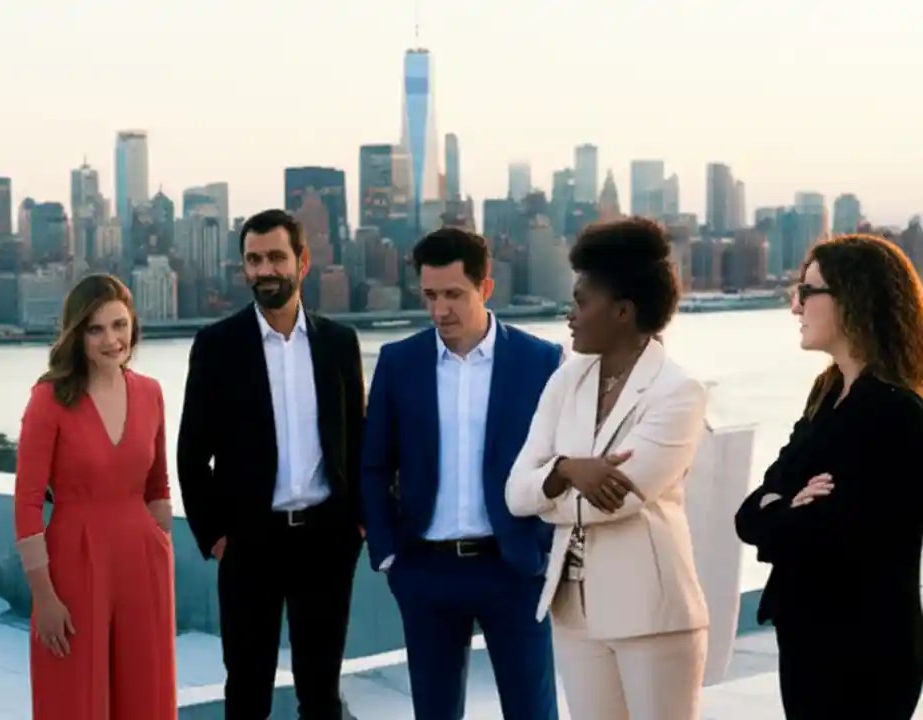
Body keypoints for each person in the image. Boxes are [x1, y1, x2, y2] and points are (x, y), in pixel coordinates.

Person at [505, 218, 709, 720]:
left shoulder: (677, 391)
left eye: (581, 302)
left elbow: (617, 501)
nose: (569, 315)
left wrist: (548, 489)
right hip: (574, 609)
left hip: (652, 614)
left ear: (622, 311)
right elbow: (515, 492)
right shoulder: (566, 380)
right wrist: (569, 469)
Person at [361, 227, 562, 720]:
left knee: (533, 712)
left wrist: (542, 550)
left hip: (513, 567)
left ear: (485, 288)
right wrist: (389, 555)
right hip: (426, 570)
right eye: (430, 295)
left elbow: (559, 462)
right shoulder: (398, 362)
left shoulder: (540, 361)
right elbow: (372, 464)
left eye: (453, 294)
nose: (439, 310)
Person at [177, 209, 365, 719]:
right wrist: (215, 536)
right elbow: (192, 453)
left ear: (302, 262)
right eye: (254, 260)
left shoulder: (339, 344)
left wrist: (359, 523)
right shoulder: (217, 346)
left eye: (276, 257)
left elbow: (357, 439)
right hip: (249, 545)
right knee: (247, 691)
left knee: (322, 691)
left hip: (326, 540)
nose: (265, 270)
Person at [735, 233, 923, 719]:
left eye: (807, 290)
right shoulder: (826, 395)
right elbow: (749, 512)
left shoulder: (897, 413)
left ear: (853, 298)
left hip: (865, 650)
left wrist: (784, 509)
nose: (794, 305)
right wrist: (789, 504)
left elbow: (842, 535)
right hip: (806, 636)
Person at [14, 274, 176, 719]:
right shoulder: (49, 399)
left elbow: (158, 486)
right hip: (74, 562)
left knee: (146, 697)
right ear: (76, 334)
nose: (112, 339)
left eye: (120, 325)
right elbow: (27, 504)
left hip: (143, 563)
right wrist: (43, 597)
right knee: (75, 698)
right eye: (96, 328)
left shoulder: (151, 393)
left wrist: (162, 548)